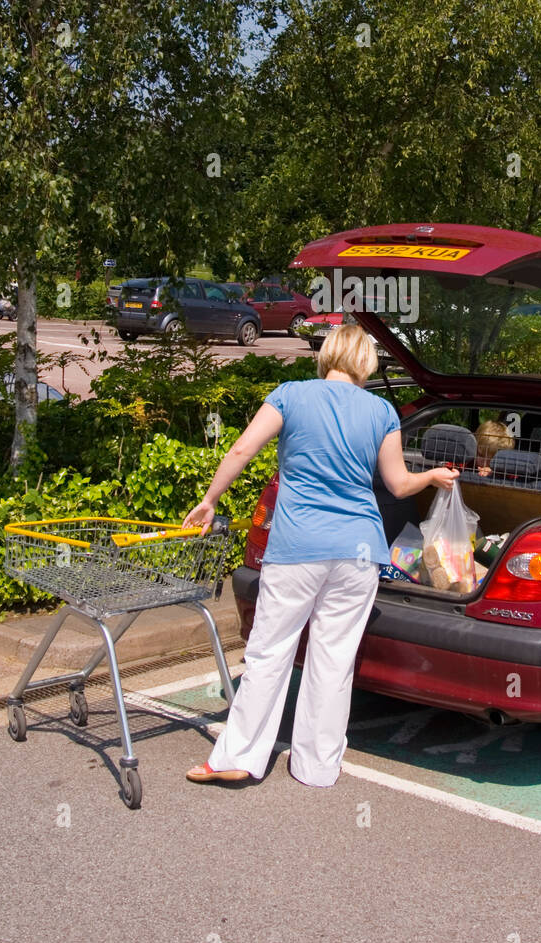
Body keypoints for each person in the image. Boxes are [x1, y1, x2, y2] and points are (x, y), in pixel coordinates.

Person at [181, 324, 459, 787]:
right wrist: (430, 476)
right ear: (366, 362)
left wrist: (210, 500)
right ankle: (317, 766)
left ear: (327, 354)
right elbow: (397, 484)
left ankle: (240, 756)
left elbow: (243, 448)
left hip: (298, 548)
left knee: (270, 653)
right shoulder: (381, 411)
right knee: (333, 661)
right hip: (358, 553)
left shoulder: (290, 395)